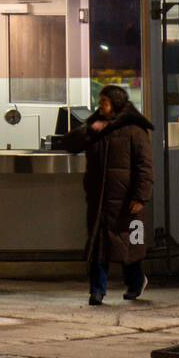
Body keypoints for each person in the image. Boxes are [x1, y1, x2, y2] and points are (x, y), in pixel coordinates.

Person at [63, 84, 153, 306]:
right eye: (100, 101)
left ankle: (136, 282)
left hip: (126, 202)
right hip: (99, 200)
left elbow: (145, 166)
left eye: (104, 102)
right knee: (98, 246)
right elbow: (70, 144)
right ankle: (97, 291)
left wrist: (140, 197)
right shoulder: (97, 126)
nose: (100, 106)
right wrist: (90, 129)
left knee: (128, 248)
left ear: (116, 104)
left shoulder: (135, 130)